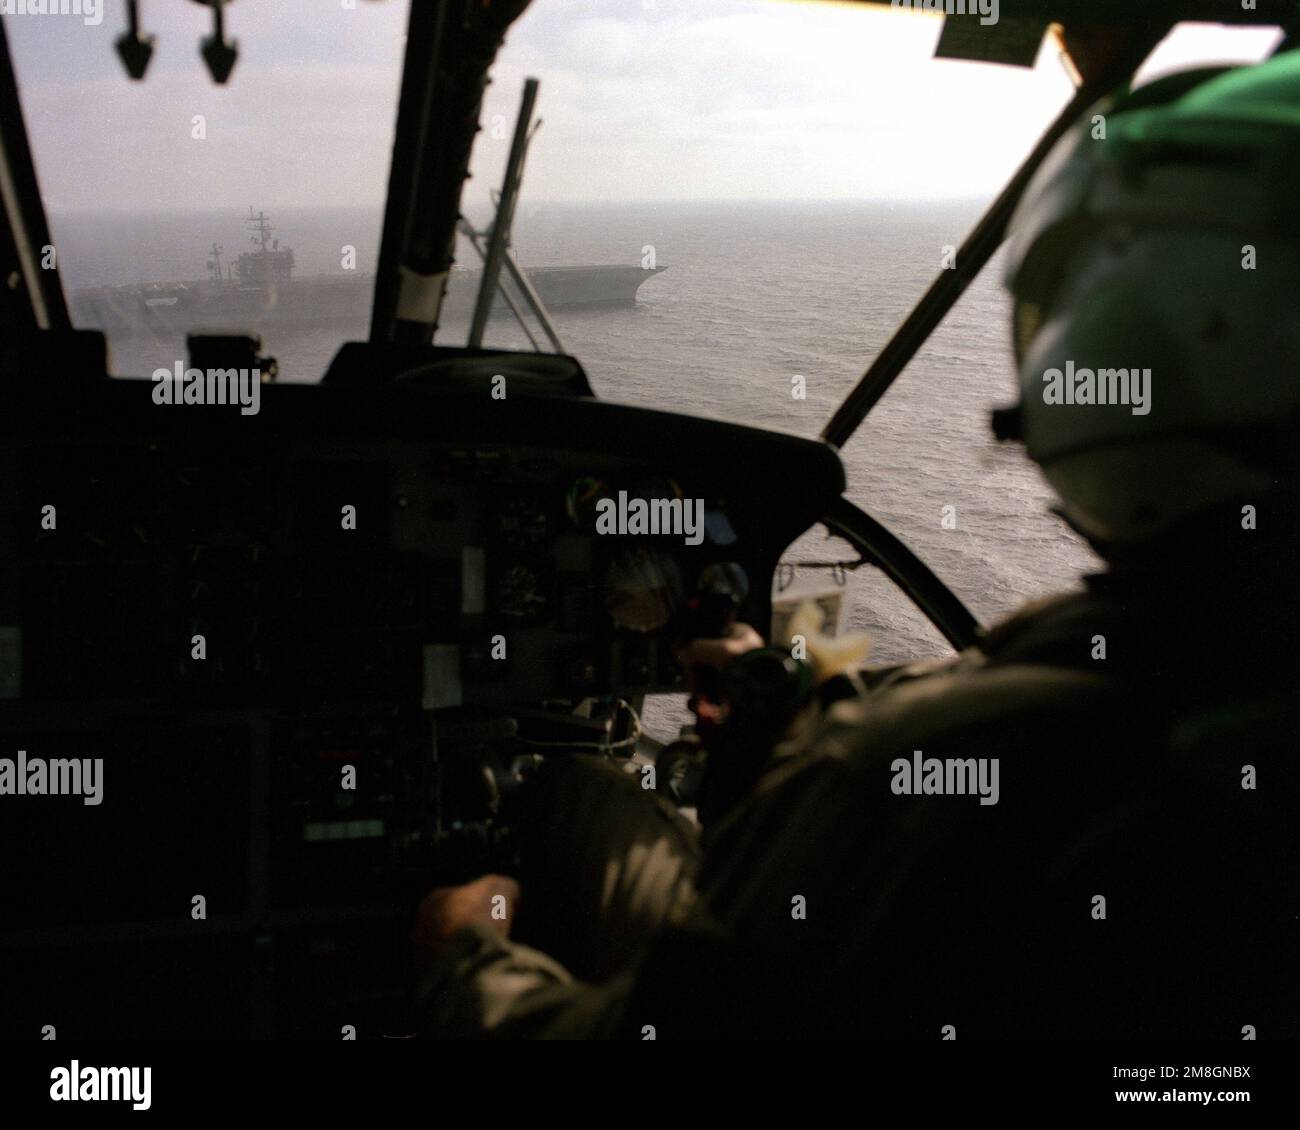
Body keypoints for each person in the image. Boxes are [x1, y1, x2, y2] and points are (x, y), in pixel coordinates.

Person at [411, 54, 1300, 1039]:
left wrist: (466, 957)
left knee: (571, 792)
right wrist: (788, 707)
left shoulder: (913, 772)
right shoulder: (1184, 655)